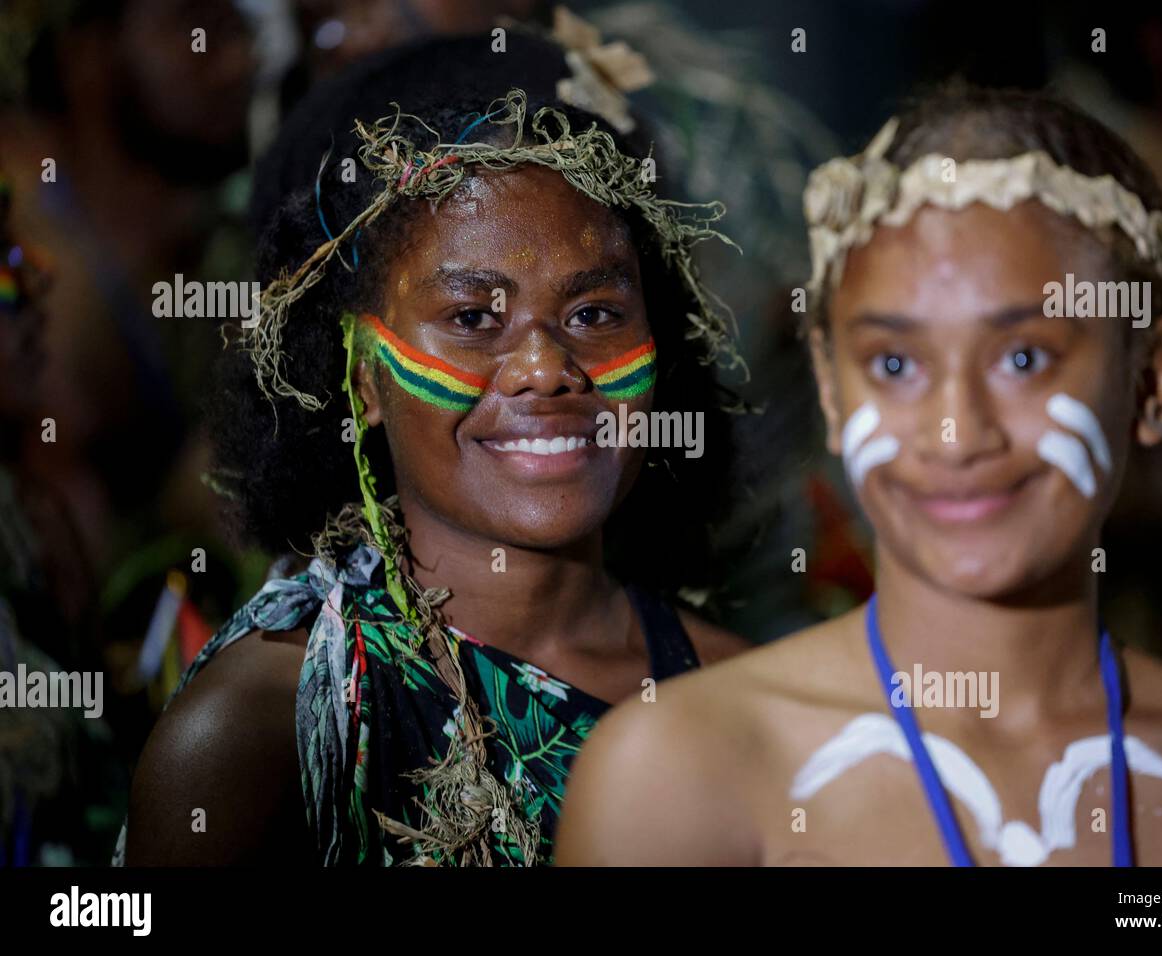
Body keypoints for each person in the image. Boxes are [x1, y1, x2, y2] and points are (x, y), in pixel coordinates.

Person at [557, 84, 1162, 867]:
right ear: (835, 390)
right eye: (895, 363)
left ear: (1151, 380)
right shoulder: (681, 775)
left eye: (1024, 359)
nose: (958, 432)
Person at [120, 35, 747, 867]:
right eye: (473, 319)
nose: (545, 370)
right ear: (363, 377)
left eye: (595, 314)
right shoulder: (266, 727)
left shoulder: (742, 697)